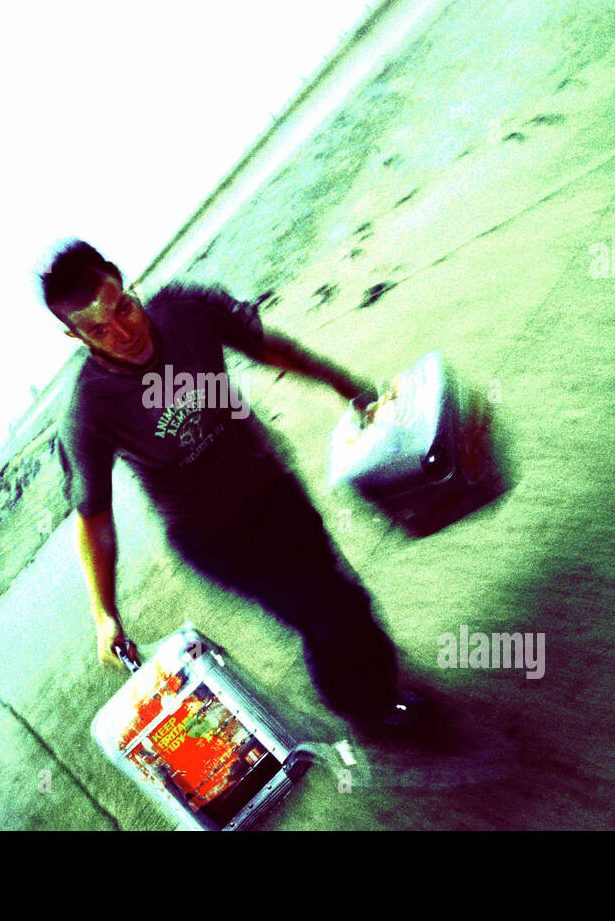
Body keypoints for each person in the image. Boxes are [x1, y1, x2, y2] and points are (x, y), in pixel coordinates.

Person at [42, 239, 424, 737]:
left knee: (343, 593)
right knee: (324, 614)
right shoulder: (88, 410)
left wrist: (344, 384)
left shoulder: (185, 311)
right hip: (213, 537)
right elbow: (93, 518)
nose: (121, 333)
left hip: (270, 485)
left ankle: (382, 689)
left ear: (127, 282)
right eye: (97, 330)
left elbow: (269, 348)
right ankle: (371, 715)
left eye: (123, 310)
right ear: (75, 336)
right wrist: (104, 615)